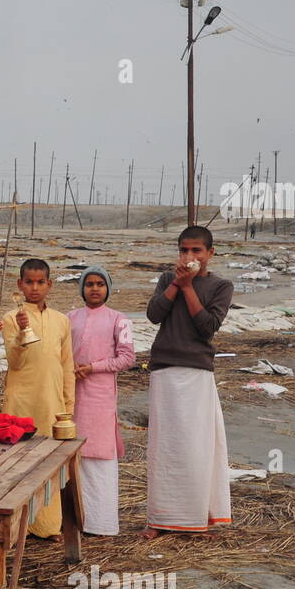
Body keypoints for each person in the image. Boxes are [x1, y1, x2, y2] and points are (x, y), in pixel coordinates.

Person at [141, 226, 234, 538]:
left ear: (210, 253)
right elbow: (153, 315)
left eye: (196, 251)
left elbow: (207, 327)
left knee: (196, 447)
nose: (189, 256)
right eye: (184, 250)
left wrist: (189, 287)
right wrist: (175, 286)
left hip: (197, 371)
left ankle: (198, 517)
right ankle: (159, 519)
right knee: (164, 448)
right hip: (164, 368)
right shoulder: (168, 279)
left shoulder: (221, 285)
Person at [2, 259, 74, 539]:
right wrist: (21, 333)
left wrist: (68, 406)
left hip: (52, 403)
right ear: (20, 285)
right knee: (17, 462)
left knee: (48, 464)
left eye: (40, 282)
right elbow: (14, 361)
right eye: (29, 282)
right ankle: (15, 525)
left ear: (49, 285)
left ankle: (45, 526)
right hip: (21, 400)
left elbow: (67, 365)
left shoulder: (61, 321)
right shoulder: (12, 317)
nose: (34, 287)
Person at [66, 266, 135, 537]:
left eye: (100, 284)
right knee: (73, 453)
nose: (95, 288)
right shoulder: (69, 318)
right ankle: (73, 521)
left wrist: (93, 367)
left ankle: (101, 523)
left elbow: (128, 358)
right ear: (81, 288)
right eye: (89, 284)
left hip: (101, 395)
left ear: (108, 288)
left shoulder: (120, 320)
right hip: (72, 394)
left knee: (100, 456)